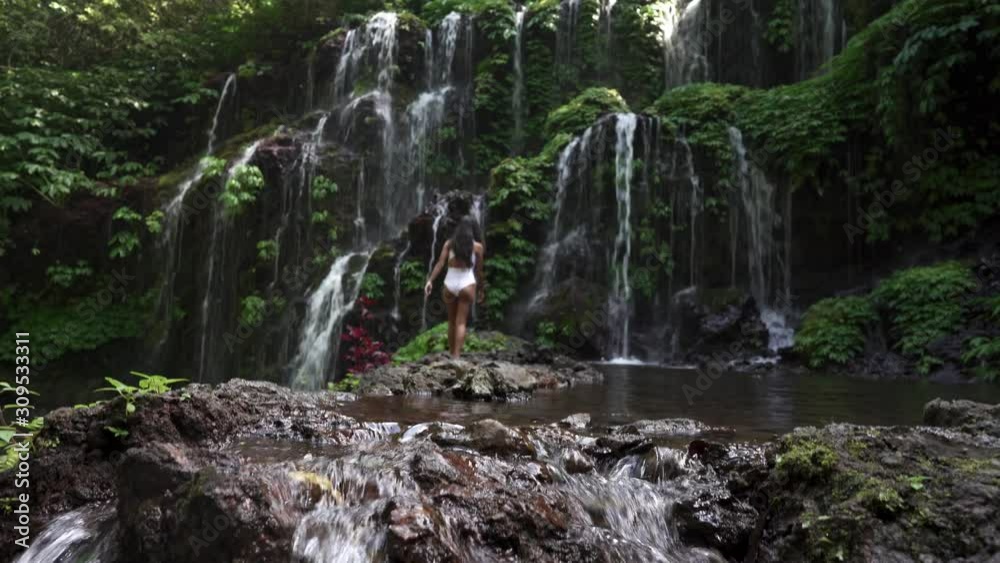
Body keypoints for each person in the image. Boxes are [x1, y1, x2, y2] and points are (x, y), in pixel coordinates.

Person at [425, 217, 486, 358]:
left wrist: (430, 281)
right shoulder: (477, 247)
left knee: (451, 322)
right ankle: (456, 357)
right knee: (461, 322)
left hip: (449, 284)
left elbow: (440, 264)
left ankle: (451, 353)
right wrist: (481, 289)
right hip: (467, 283)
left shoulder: (449, 244)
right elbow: (479, 271)